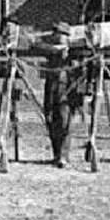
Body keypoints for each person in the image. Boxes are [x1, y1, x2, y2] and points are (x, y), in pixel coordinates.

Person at [35, 21, 82, 168]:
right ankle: (56, 154)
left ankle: (63, 156)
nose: (58, 37)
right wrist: (55, 50)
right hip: (52, 87)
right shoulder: (52, 50)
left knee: (65, 121)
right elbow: (36, 44)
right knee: (51, 118)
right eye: (56, 34)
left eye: (61, 34)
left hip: (68, 89)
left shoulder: (76, 51)